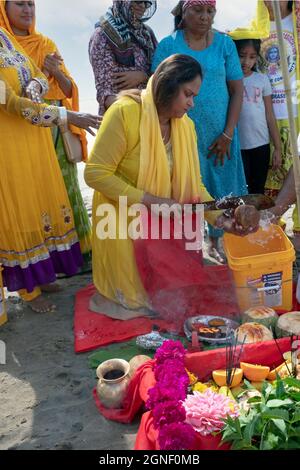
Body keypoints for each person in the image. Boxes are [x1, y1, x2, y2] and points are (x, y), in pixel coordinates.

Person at [84, 54, 257, 321]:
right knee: (140, 300)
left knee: (176, 294)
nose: (191, 103)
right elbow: (95, 173)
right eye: (187, 94)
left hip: (167, 219)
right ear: (167, 85)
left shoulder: (185, 126)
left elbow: (194, 185)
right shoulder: (125, 113)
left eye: (194, 96)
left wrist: (220, 219)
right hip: (122, 220)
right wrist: (150, 200)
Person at [0, 26, 100, 313]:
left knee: (38, 203)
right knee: (19, 209)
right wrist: (68, 116)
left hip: (34, 140)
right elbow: (12, 104)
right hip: (8, 145)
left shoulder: (5, 37)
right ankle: (28, 290)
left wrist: (36, 85)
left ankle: (41, 278)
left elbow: (37, 76)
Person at [151, 0, 247, 264]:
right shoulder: (169, 45)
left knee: (224, 189)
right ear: (184, 11)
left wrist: (228, 134)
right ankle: (191, 248)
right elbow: (157, 90)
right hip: (181, 133)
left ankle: (220, 241)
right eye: (198, 10)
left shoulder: (225, 44)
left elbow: (237, 90)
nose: (205, 17)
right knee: (186, 189)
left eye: (210, 12)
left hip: (221, 135)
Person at [230, 0, 300, 235]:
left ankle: (297, 228)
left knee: (293, 166)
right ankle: (265, 224)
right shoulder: (255, 29)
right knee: (265, 177)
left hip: (295, 109)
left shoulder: (297, 22)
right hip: (259, 126)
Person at [89, 0, 158, 116]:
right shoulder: (102, 35)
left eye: (147, 3)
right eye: (138, 1)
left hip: (151, 116)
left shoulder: (147, 35)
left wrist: (144, 76)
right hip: (122, 118)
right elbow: (106, 95)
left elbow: (161, 73)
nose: (142, 6)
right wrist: (137, 115)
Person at [234, 38, 281, 195]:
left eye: (252, 57)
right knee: (242, 192)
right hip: (238, 147)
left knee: (258, 191)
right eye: (242, 55)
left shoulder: (262, 79)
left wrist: (278, 149)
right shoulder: (229, 81)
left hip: (261, 145)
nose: (246, 61)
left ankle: (257, 220)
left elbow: (270, 115)